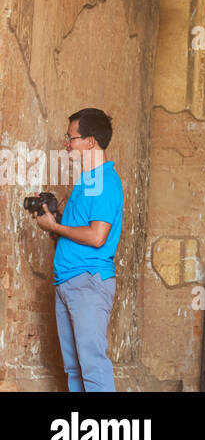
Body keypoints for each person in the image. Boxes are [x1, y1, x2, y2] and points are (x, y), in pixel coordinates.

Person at [32, 108, 124, 392]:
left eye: (71, 138)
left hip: (88, 281)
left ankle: (106, 436)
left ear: (90, 142)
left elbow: (97, 237)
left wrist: (54, 227)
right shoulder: (86, 183)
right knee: (74, 371)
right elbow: (76, 236)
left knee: (93, 366)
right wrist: (54, 222)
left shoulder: (106, 182)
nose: (66, 143)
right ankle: (83, 435)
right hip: (69, 282)